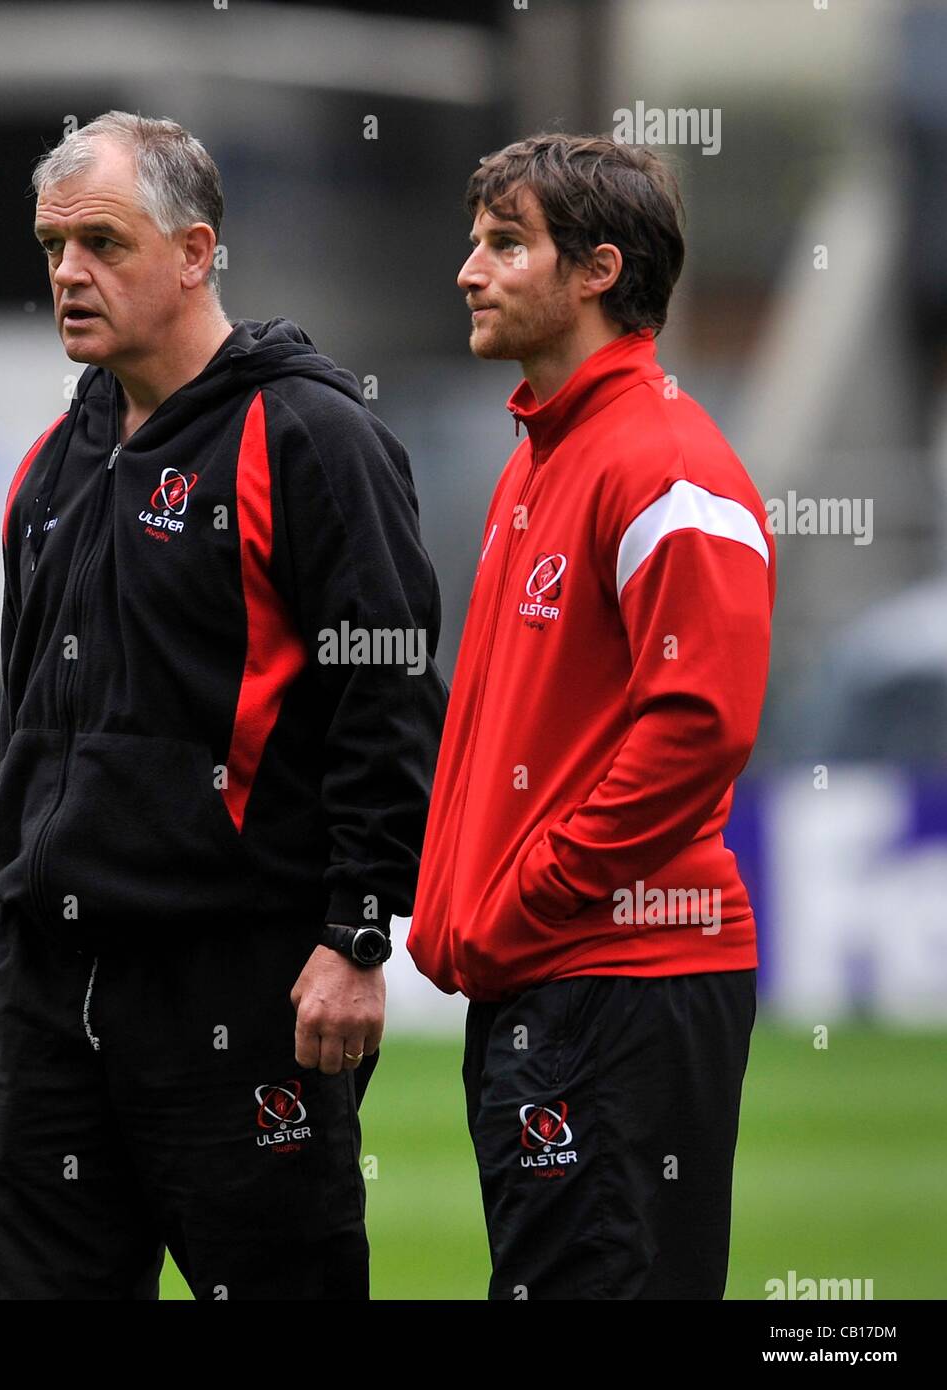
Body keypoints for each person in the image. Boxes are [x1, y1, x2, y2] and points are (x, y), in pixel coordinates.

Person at [0, 110, 447, 1301]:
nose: (68, 274)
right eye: (53, 247)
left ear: (197, 250)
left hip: (238, 994)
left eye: (103, 242)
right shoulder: (53, 461)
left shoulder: (311, 435)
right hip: (47, 1000)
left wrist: (360, 935)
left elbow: (390, 695)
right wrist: (0, 955)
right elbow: (38, 738)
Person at [408, 132, 776, 1300]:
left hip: (618, 977)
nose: (468, 269)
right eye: (475, 241)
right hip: (556, 979)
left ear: (596, 271)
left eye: (504, 243)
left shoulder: (665, 464)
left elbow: (698, 727)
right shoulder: (540, 460)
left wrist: (530, 896)